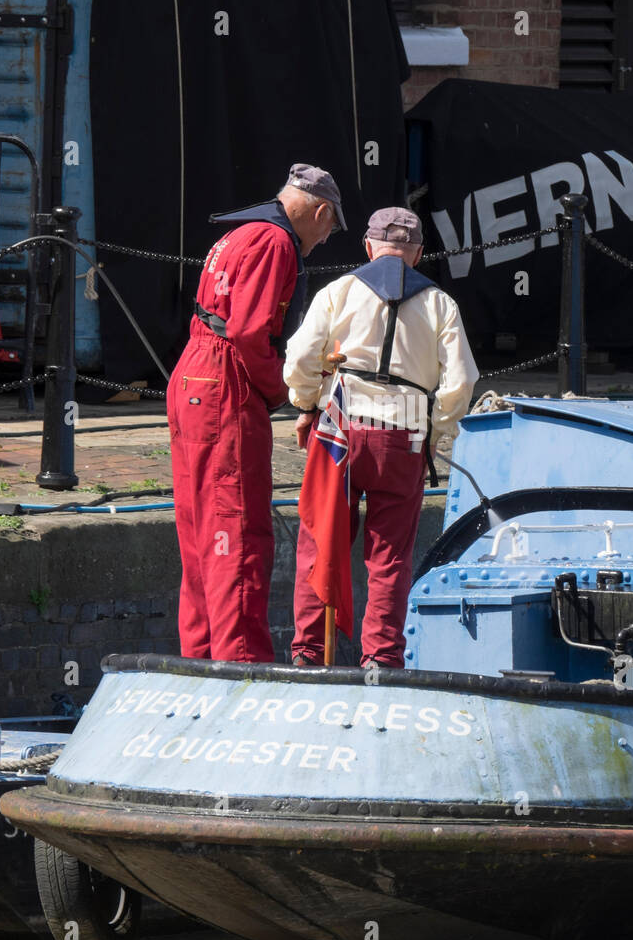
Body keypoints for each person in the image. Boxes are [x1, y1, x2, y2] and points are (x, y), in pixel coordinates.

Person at [284, 206, 479, 668]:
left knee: (320, 544)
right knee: (390, 556)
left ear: (369, 247)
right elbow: (460, 383)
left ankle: (309, 654)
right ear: (417, 254)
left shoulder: (340, 290)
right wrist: (438, 436)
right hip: (404, 436)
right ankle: (382, 660)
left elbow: (299, 357)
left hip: (338, 434)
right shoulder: (440, 304)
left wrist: (306, 402)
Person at [167, 164, 347, 663]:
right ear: (320, 211)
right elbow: (248, 333)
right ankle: (241, 664)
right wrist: (283, 391)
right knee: (239, 526)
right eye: (330, 228)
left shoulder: (241, 233)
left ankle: (199, 658)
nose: (325, 239)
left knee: (199, 527)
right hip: (225, 379)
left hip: (192, 373)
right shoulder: (276, 243)